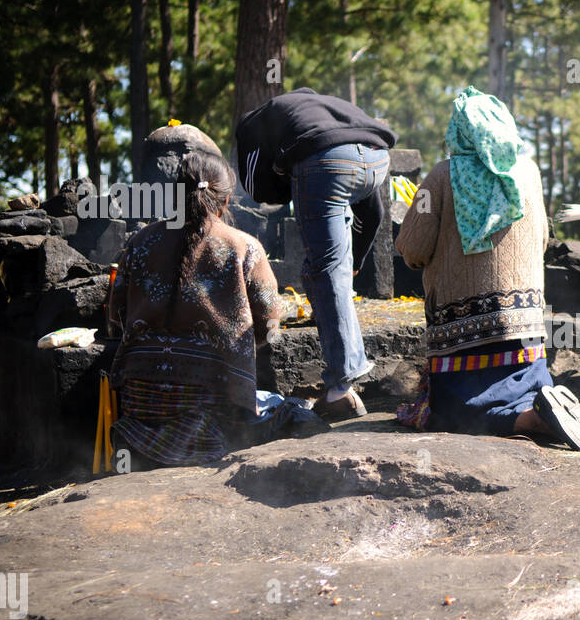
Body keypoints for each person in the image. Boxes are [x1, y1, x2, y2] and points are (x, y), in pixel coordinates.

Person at [394, 87, 580, 452]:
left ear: (458, 131)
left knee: (454, 412)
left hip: (463, 333)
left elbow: (411, 247)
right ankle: (544, 400)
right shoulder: (529, 172)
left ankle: (533, 420)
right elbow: (542, 238)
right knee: (526, 385)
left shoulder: (441, 177)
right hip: (525, 327)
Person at [108, 150, 283, 466]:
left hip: (140, 403)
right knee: (283, 407)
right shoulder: (245, 247)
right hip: (214, 403)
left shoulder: (139, 242)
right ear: (227, 201)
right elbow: (270, 326)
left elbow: (115, 316)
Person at [236, 88, 397, 420]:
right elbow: (375, 214)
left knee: (323, 272)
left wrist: (292, 180)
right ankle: (347, 374)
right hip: (377, 157)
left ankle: (340, 389)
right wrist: (358, 264)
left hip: (325, 162)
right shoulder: (325, 111)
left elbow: (255, 187)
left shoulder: (251, 124)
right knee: (335, 267)